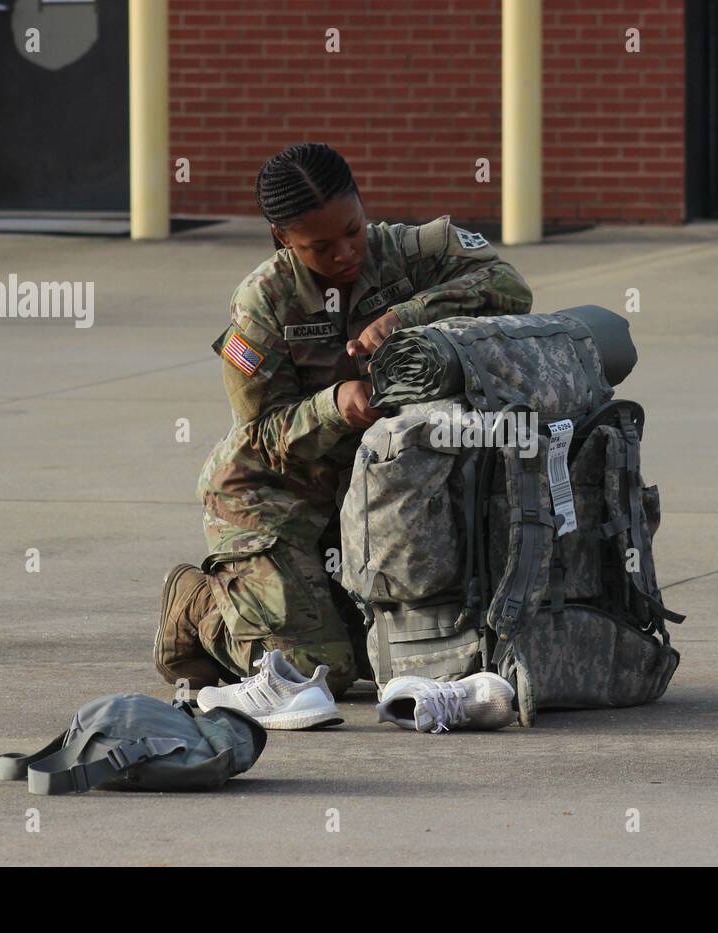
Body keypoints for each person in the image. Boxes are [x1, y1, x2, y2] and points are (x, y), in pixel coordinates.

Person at [154, 142, 534, 722]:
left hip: (386, 495)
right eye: (320, 246)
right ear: (283, 238)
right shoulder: (263, 303)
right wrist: (333, 405)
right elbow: (258, 432)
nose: (346, 253)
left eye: (352, 230)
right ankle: (196, 604)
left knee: (397, 660)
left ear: (362, 205)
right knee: (317, 673)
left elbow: (509, 287)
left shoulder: (410, 251)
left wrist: (406, 316)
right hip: (280, 496)